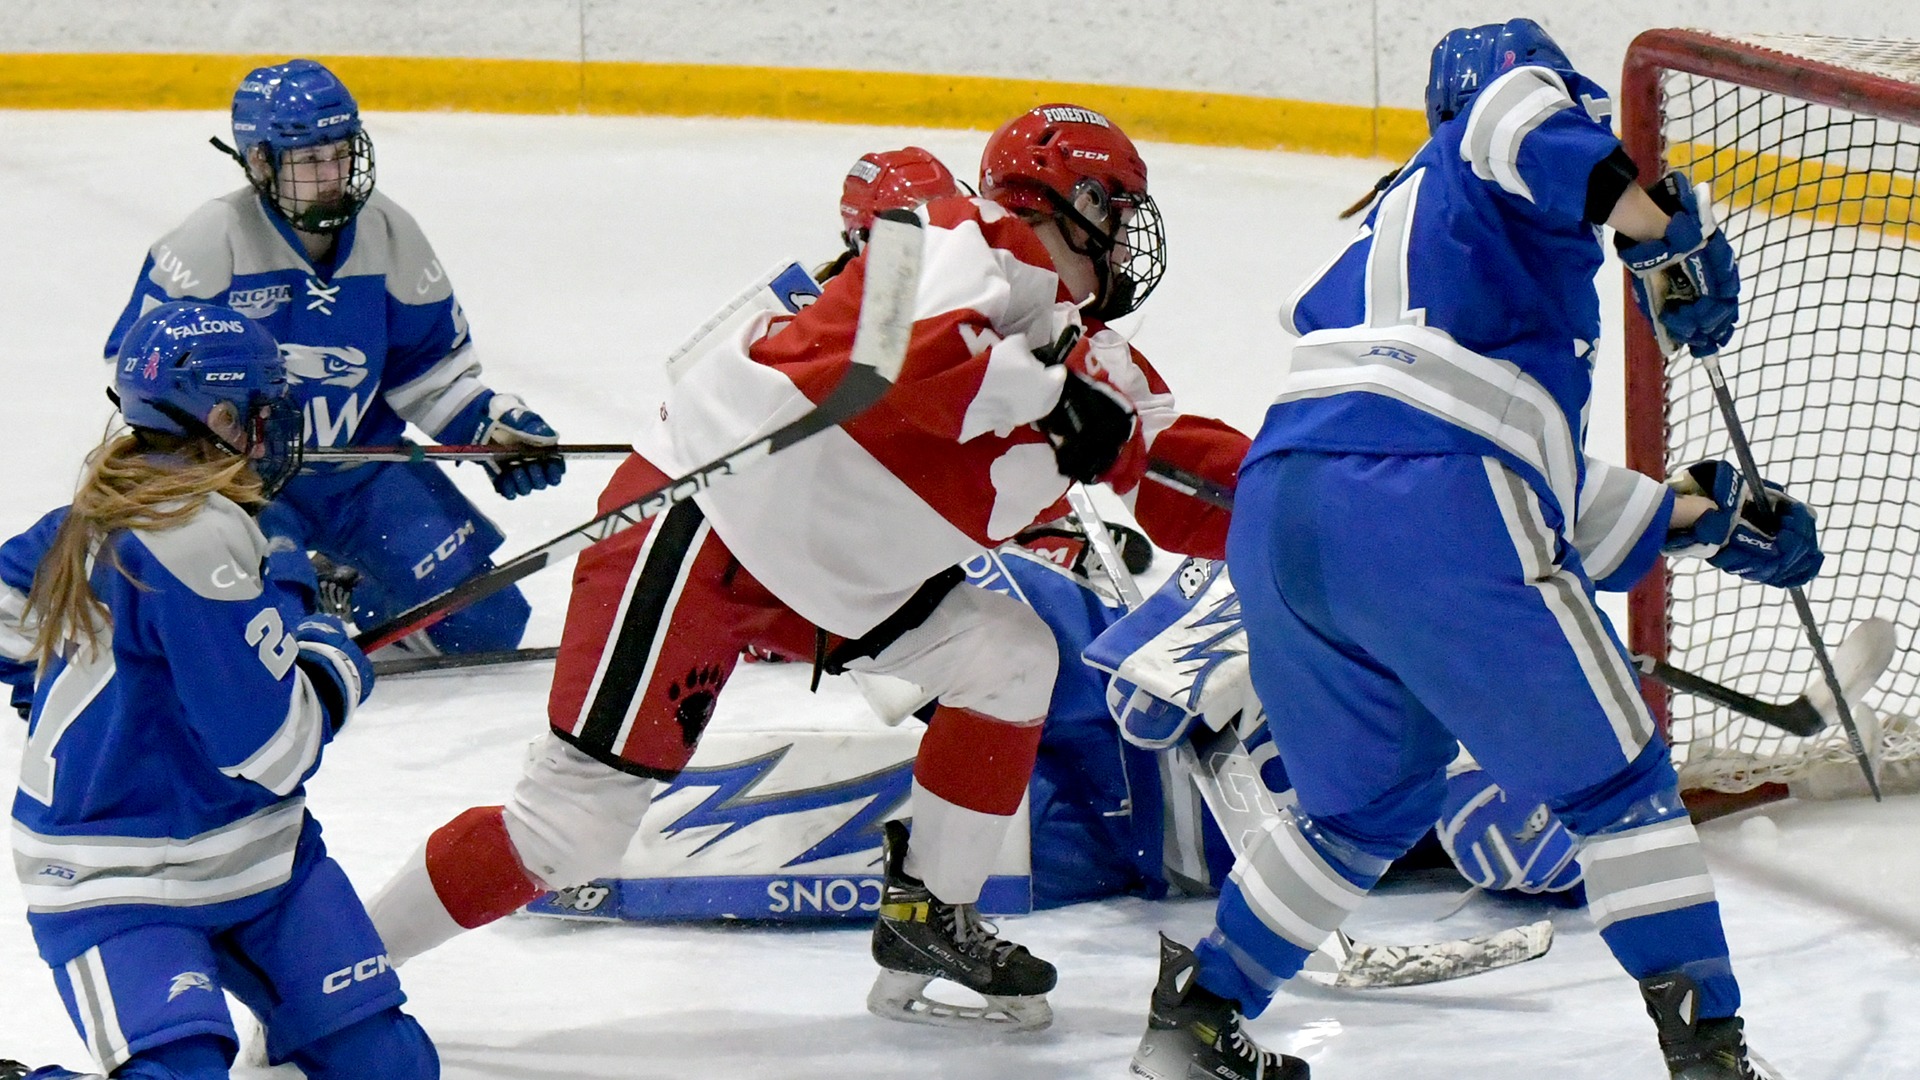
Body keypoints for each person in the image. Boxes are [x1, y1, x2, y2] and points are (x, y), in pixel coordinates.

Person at [363, 105, 1242, 1032]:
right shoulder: (942, 239)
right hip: (708, 532)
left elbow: (1186, 467)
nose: (1131, 242)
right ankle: (340, 970)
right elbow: (889, 361)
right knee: (566, 834)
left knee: (1009, 656)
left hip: (836, 577)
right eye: (1123, 211)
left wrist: (1313, 514)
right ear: (1080, 204)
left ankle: (928, 915)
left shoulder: (1085, 350)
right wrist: (1050, 399)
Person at [1131, 20, 1812, 1080]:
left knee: (1362, 810)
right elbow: (1515, 110)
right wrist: (1654, 233)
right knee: (1617, 787)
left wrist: (1703, 516)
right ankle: (1712, 1056)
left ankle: (1198, 1018)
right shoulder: (1491, 141)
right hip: (1431, 491)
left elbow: (1524, 483)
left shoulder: (1398, 249)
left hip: (1287, 509)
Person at [0, 302, 434, 1080]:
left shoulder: (117, 499)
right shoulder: (192, 535)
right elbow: (274, 748)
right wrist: (321, 643)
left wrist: (76, 683)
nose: (275, 432)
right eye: (262, 412)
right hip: (115, 874)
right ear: (223, 415)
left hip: (258, 861)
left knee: (391, 1067)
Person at [102, 58, 564, 657]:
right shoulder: (212, 239)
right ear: (261, 162)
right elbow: (136, 372)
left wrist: (489, 426)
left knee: (486, 626)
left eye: (341, 153)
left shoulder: (391, 232)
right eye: (310, 160)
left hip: (364, 472)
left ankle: (349, 585)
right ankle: (309, 584)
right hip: (248, 486)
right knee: (261, 641)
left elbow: (431, 371)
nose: (332, 174)